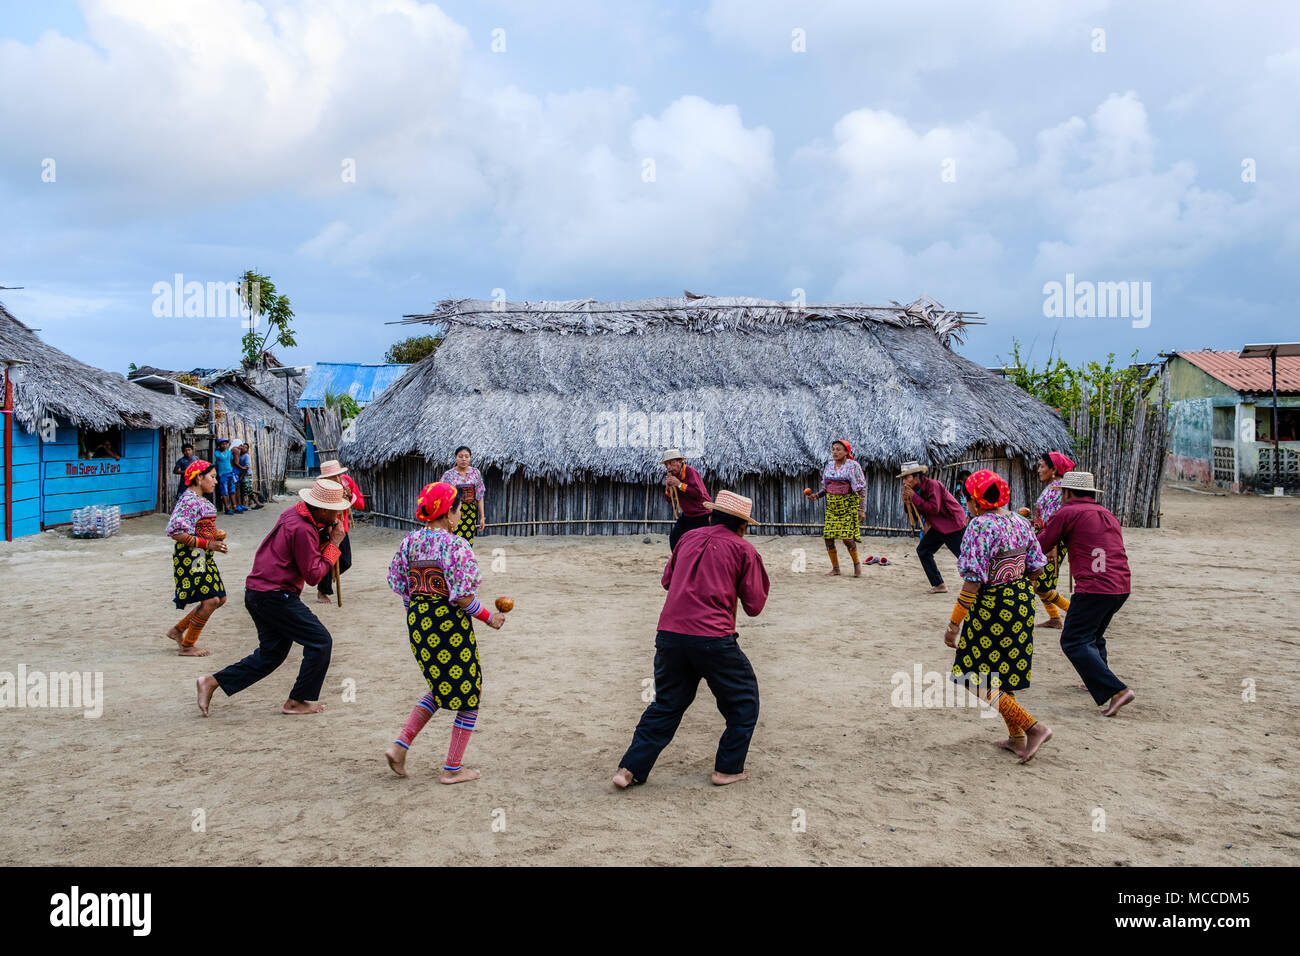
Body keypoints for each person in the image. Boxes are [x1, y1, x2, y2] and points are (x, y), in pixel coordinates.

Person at [613, 490, 769, 789]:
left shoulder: (687, 538)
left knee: (667, 704)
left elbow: (667, 581)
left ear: (711, 516)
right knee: (744, 702)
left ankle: (628, 769)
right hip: (713, 638)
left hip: (670, 635)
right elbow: (754, 606)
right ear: (743, 525)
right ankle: (727, 769)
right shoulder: (744, 550)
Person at [384, 482, 507, 783]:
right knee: (470, 694)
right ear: (448, 513)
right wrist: (490, 618)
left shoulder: (410, 542)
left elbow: (401, 587)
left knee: (441, 688)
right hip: (447, 626)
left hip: (418, 623)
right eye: (458, 509)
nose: (460, 515)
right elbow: (463, 598)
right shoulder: (454, 545)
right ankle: (453, 769)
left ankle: (400, 747)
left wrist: (420, 617)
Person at [194, 478, 348, 717]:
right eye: (336, 510)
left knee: (270, 655)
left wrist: (326, 535)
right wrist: (334, 543)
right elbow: (314, 576)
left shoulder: (295, 514)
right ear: (323, 510)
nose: (339, 515)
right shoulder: (303, 529)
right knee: (320, 641)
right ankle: (297, 701)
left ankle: (211, 682)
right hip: (275, 595)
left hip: (259, 592)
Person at [944, 470, 1052, 763]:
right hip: (1021, 601)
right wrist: (1018, 587)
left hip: (991, 605)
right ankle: (1017, 738)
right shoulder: (1020, 521)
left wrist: (954, 624)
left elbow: (972, 582)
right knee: (1001, 673)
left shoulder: (979, 526)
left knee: (970, 675)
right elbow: (1037, 567)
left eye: (967, 499)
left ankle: (1033, 727)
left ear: (975, 500)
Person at [1036, 471, 1135, 717]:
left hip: (1094, 587)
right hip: (1120, 585)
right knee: (1093, 636)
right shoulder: (1106, 513)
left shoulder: (1067, 512)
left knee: (1073, 640)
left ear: (1068, 493)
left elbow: (1040, 545)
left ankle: (1116, 690)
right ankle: (1096, 680)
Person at [163, 460, 228, 658]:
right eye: (212, 477)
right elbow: (176, 532)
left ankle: (177, 630)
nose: (215, 482)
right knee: (210, 601)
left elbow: (199, 529)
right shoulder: (189, 501)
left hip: (201, 556)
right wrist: (209, 544)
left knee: (220, 598)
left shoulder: (199, 500)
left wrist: (215, 536)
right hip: (191, 557)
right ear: (199, 478)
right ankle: (187, 646)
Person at [899, 460, 969, 593]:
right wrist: (907, 502)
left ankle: (980, 583)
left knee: (963, 556)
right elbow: (914, 513)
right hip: (938, 525)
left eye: (907, 477)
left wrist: (914, 497)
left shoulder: (932, 485)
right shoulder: (915, 490)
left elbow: (934, 508)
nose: (904, 482)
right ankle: (938, 585)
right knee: (923, 550)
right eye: (903, 478)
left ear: (917, 476)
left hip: (952, 523)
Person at [805, 439, 867, 576]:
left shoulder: (853, 466)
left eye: (839, 449)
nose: (835, 452)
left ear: (846, 452)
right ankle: (836, 568)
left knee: (847, 538)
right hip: (832, 507)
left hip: (847, 506)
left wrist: (861, 510)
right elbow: (827, 488)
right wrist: (816, 496)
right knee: (828, 537)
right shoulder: (829, 466)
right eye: (833, 449)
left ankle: (857, 565)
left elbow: (861, 489)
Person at [1027, 451, 1075, 629]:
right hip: (1046, 538)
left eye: (1042, 466)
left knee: (1040, 584)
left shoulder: (1057, 490)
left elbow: (1052, 521)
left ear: (1053, 469)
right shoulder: (1055, 487)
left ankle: (1073, 613)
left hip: (1051, 541)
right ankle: (1055, 618)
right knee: (1041, 583)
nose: (1039, 470)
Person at [316, 460, 363, 603]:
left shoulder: (347, 483)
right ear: (324, 479)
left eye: (338, 476)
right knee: (328, 558)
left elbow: (361, 504)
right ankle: (322, 591)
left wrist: (350, 497)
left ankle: (326, 578)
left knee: (345, 562)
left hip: (341, 530)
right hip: (325, 530)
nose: (337, 480)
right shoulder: (320, 489)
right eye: (333, 477)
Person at [662, 448, 713, 551]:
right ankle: (678, 563)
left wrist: (679, 484)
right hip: (688, 515)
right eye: (666, 465)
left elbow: (699, 494)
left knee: (700, 545)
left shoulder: (691, 472)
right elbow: (668, 500)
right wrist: (667, 488)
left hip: (703, 515)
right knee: (674, 538)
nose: (668, 467)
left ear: (680, 462)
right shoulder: (673, 476)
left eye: (671, 463)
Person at [439, 447, 486, 544]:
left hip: (470, 512)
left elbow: (479, 496)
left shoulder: (475, 473)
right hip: (453, 511)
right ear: (455, 458)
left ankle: (466, 558)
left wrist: (482, 517)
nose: (463, 459)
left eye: (466, 456)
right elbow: (442, 495)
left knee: (467, 541)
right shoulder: (448, 475)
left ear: (470, 458)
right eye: (460, 456)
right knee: (453, 540)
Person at [212, 438, 237, 515]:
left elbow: (231, 462)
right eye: (222, 444)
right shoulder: (216, 453)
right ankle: (227, 508)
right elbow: (214, 464)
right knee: (224, 491)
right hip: (222, 474)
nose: (224, 445)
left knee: (232, 490)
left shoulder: (229, 453)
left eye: (225, 444)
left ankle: (235, 507)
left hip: (230, 473)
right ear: (219, 445)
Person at [236, 441, 263, 510]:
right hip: (242, 474)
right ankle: (258, 493)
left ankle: (258, 503)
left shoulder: (246, 456)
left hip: (246, 474)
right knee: (245, 489)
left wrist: (242, 476)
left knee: (248, 490)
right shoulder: (239, 455)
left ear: (247, 449)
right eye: (243, 447)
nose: (244, 448)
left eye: (246, 448)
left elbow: (246, 467)